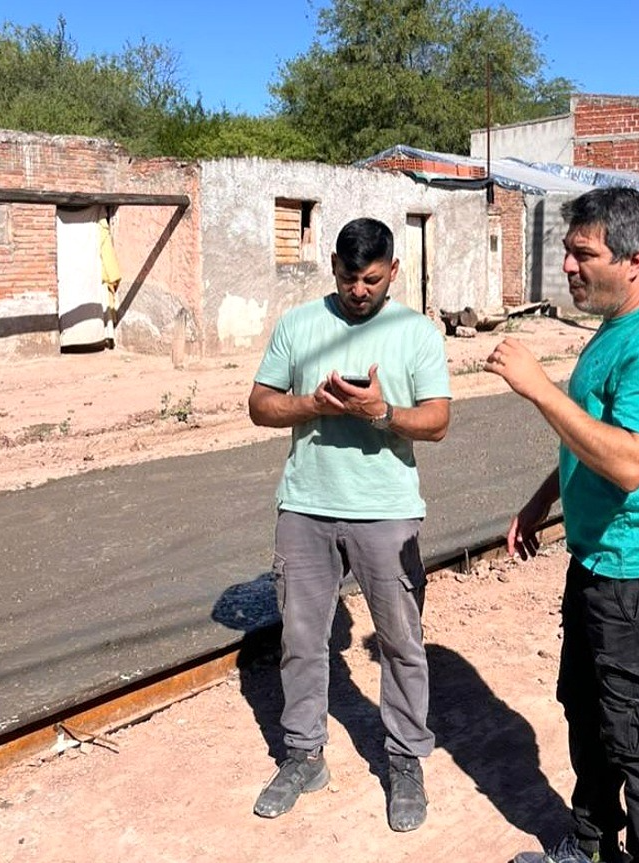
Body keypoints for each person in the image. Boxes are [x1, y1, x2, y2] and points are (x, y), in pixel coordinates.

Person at [486, 188, 639, 863]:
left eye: (583, 253)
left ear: (634, 260)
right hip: (602, 562)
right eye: (567, 250)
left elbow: (629, 462)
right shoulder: (619, 325)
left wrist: (538, 387)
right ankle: (586, 846)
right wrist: (540, 502)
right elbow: (594, 437)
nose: (566, 266)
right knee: (589, 717)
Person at [247, 217, 451, 832]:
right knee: (302, 642)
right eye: (346, 277)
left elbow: (438, 421)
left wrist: (380, 411)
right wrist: (313, 403)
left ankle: (405, 763)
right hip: (306, 506)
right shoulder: (299, 326)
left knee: (400, 643)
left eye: (370, 279)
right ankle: (304, 756)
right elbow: (259, 405)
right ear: (331, 265)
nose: (358, 290)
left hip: (386, 512)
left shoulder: (415, 332)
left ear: (391, 270)